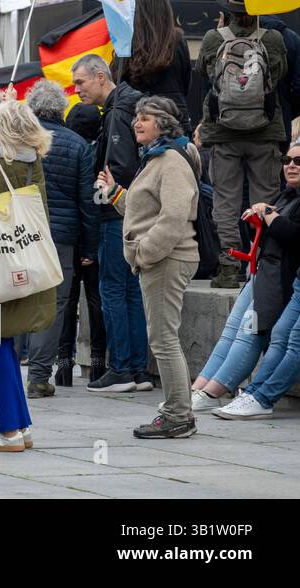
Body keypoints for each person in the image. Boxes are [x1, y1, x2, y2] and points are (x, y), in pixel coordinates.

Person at [97, 96, 202, 439]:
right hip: (161, 259)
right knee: (163, 338)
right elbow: (143, 210)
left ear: (163, 123)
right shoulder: (156, 157)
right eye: (136, 118)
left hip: (166, 260)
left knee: (163, 339)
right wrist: (114, 193)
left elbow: (173, 217)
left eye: (144, 118)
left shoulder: (170, 159)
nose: (136, 123)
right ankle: (179, 411)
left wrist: (144, 254)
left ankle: (177, 416)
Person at [0, 101, 56, 452]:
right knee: (7, 344)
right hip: (27, 261)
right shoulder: (34, 161)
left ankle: (8, 432)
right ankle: (22, 426)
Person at [197, 0, 289, 289]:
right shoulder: (274, 39)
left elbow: (205, 76)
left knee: (225, 200)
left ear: (229, 10)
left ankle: (228, 266)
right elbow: (279, 75)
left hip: (223, 132)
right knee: (266, 200)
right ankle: (264, 263)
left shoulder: (212, 39)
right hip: (265, 131)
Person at [203, 139, 300, 419]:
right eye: (287, 161)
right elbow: (272, 237)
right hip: (277, 279)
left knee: (263, 336)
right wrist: (262, 217)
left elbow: (293, 237)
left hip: (278, 281)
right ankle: (245, 393)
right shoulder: (287, 196)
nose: (291, 165)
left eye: (299, 161)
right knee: (260, 332)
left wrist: (269, 215)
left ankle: (252, 395)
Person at [72, 52, 148, 393]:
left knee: (113, 290)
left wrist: (107, 187)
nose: (76, 90)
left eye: (80, 82)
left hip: (115, 213)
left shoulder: (118, 111)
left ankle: (120, 369)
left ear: (101, 77)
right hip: (134, 212)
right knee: (130, 291)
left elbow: (117, 167)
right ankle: (138, 369)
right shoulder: (129, 104)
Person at [25, 80, 99, 396]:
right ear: (62, 108)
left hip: (19, 232)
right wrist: (90, 245)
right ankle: (39, 376)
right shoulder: (78, 145)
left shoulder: (17, 140)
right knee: (53, 303)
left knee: (14, 297)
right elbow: (87, 200)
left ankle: (6, 372)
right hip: (61, 238)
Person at [59, 101, 107, 382]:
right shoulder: (98, 153)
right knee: (95, 301)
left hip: (65, 237)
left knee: (66, 302)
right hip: (92, 234)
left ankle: (63, 363)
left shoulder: (59, 147)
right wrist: (90, 246)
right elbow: (90, 204)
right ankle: (98, 362)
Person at [117, 0, 193, 131]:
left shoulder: (128, 41)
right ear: (165, 10)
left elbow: (119, 82)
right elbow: (186, 82)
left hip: (139, 118)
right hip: (175, 116)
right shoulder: (178, 40)